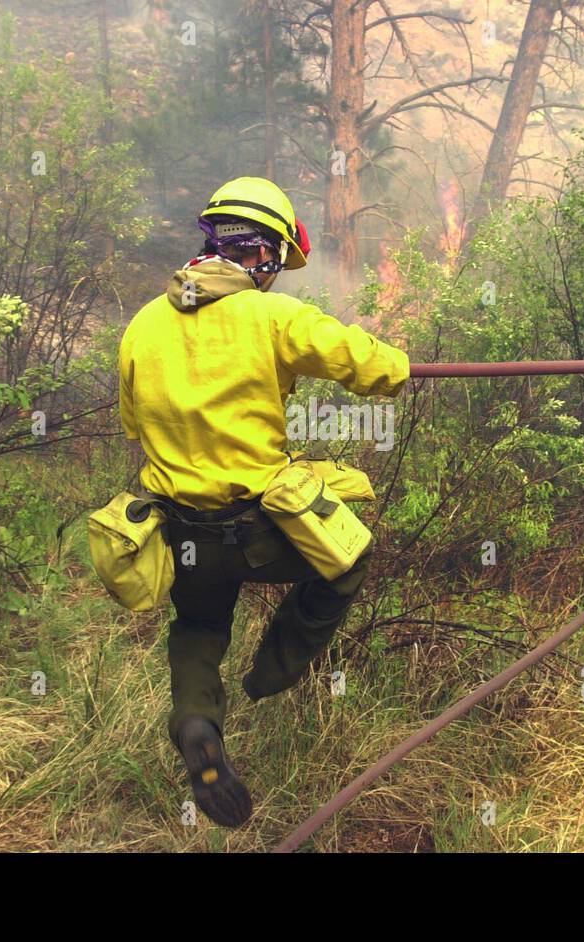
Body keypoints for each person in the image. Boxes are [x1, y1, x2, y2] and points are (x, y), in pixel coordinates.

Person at [117, 177, 409, 827]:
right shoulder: (274, 316)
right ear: (266, 255)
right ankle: (271, 673)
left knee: (198, 626)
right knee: (348, 558)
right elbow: (370, 366)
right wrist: (400, 365)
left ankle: (197, 721)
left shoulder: (142, 325)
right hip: (259, 530)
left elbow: (134, 427)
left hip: (181, 535)